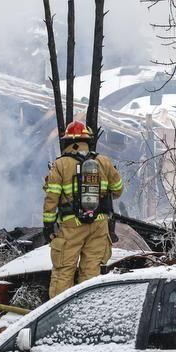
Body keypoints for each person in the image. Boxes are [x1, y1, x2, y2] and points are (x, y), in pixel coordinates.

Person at [42, 120, 125, 299]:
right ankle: (87, 310)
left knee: (63, 270)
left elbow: (51, 198)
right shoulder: (104, 161)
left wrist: (48, 225)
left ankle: (59, 312)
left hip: (71, 225)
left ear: (67, 142)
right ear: (87, 140)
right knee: (91, 272)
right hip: (99, 225)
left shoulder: (60, 165)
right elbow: (118, 190)